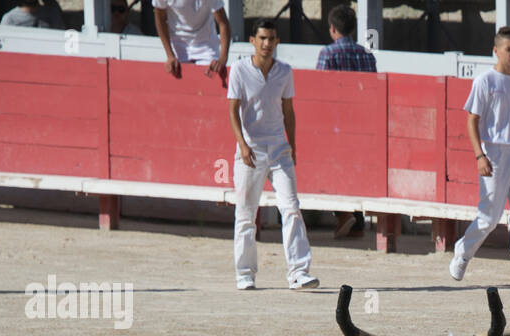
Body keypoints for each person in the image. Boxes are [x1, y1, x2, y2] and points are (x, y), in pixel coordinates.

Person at [450, 26, 510, 292]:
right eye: (509, 49)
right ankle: (463, 252)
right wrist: (479, 154)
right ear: (496, 51)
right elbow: (472, 120)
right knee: (489, 217)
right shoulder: (484, 81)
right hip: (493, 153)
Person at [228, 19, 317, 291]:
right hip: (251, 150)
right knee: (246, 213)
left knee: (291, 207)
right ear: (253, 41)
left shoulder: (285, 72)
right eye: (263, 38)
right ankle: (244, 273)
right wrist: (242, 145)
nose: (267, 44)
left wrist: (293, 145)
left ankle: (298, 272)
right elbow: (232, 110)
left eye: (272, 39)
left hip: (279, 149)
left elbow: (288, 111)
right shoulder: (240, 70)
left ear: (277, 42)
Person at [316, 4, 375, 239]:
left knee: (331, 169)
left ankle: (343, 214)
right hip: (362, 123)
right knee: (357, 170)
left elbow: (320, 92)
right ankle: (357, 222)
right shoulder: (366, 55)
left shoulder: (328, 54)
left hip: (336, 123)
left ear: (332, 29)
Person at [154, 0, 229, 78]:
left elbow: (223, 23)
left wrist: (222, 59)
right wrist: (170, 55)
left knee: (211, 80)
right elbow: (160, 17)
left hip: (207, 48)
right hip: (177, 49)